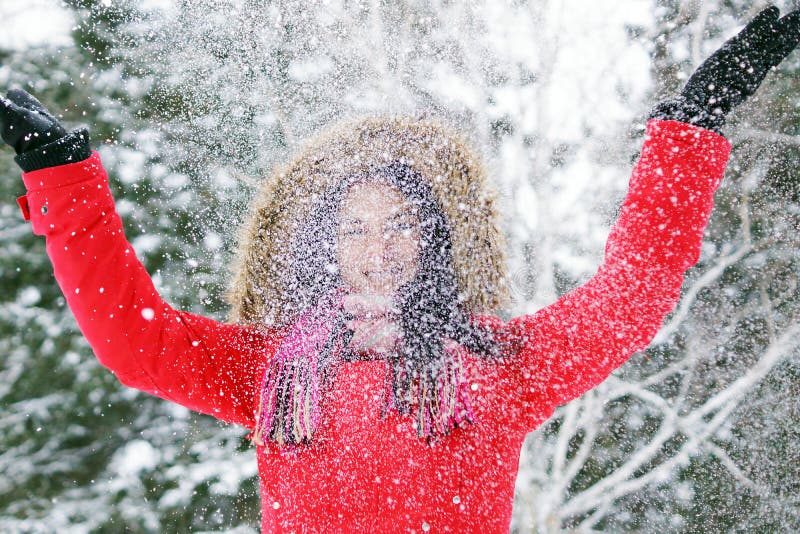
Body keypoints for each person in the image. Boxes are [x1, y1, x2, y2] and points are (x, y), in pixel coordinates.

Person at [2, 6, 799, 533]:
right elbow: (136, 343)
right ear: (326, 246)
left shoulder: (503, 365)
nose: (377, 247)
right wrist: (61, 174)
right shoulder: (270, 371)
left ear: (433, 242)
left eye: (400, 225)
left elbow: (632, 297)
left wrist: (691, 127)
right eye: (353, 228)